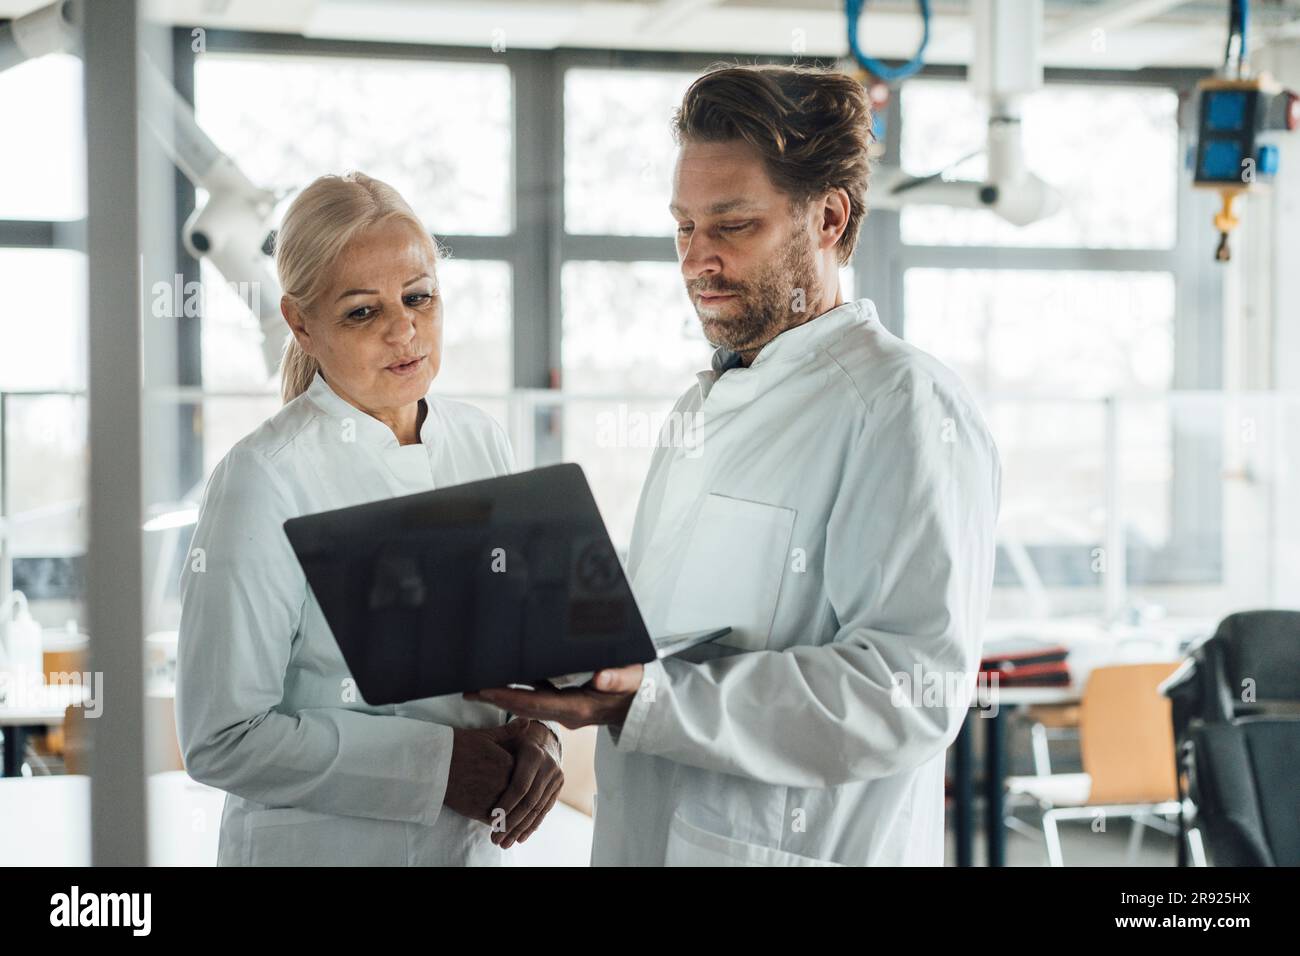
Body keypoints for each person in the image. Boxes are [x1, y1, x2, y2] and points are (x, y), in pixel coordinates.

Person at [472, 66, 1002, 866]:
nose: (697, 260)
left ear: (828, 217)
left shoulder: (903, 408)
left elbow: (904, 692)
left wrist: (645, 702)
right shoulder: (705, 403)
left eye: (733, 227)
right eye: (684, 227)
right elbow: (672, 631)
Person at [176, 171, 562, 866]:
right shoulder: (264, 478)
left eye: (419, 297)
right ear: (300, 322)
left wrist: (540, 732)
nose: (403, 328)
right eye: (362, 311)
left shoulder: (484, 443)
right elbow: (222, 737)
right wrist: (438, 767)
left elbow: (528, 651)